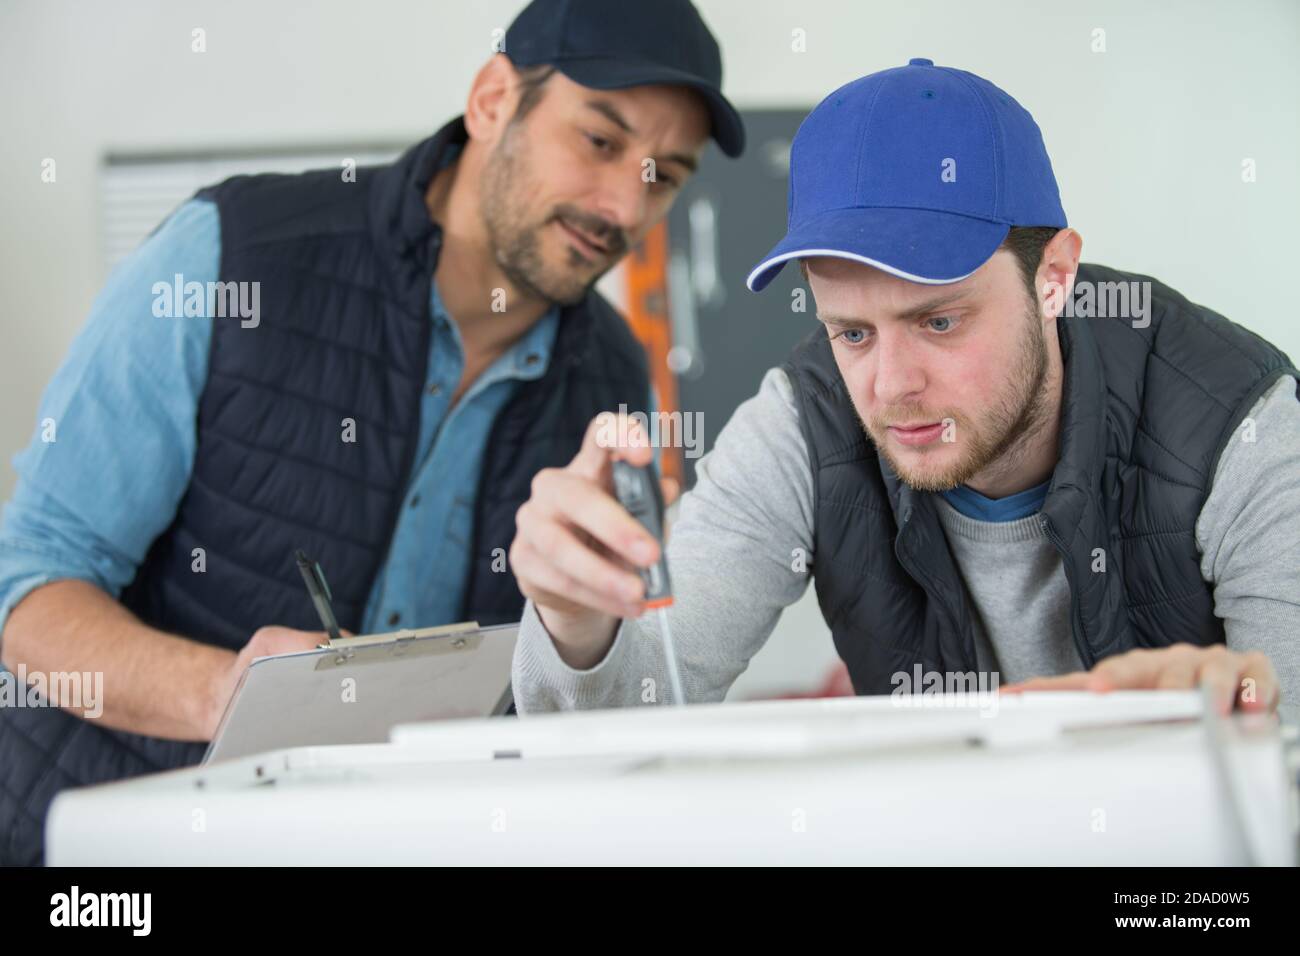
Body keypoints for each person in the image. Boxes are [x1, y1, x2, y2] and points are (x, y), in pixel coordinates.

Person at [0, 0, 744, 865]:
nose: (624, 203)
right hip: (99, 848)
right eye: (601, 142)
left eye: (665, 175)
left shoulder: (616, 383)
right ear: (493, 98)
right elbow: (29, 587)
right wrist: (222, 694)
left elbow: (600, 694)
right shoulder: (232, 256)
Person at [509, 59, 1299, 723]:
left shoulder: (1242, 428)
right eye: (851, 332)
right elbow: (647, 709)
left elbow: (1288, 779)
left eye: (940, 322)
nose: (889, 387)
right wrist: (579, 624)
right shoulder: (803, 423)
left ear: (1053, 277)